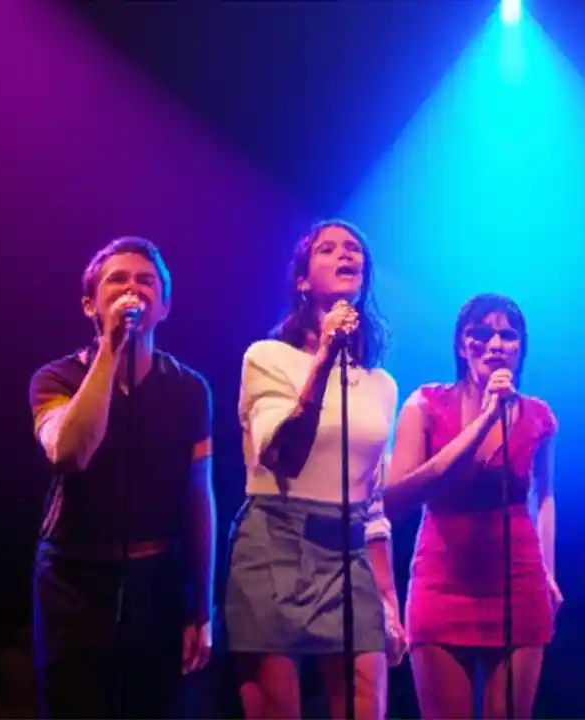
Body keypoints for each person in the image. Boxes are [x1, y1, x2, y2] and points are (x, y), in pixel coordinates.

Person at [28, 236, 215, 717]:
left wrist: (201, 606)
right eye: (118, 280)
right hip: (75, 582)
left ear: (165, 305)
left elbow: (199, 498)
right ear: (91, 303)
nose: (133, 288)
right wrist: (111, 349)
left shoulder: (189, 389)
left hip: (157, 581)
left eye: (146, 281)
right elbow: (69, 452)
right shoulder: (56, 379)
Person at [225, 220, 404, 720]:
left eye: (353, 249)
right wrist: (324, 356)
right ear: (302, 280)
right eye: (328, 249)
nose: (345, 255)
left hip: (348, 550)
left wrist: (388, 595)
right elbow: (282, 453)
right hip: (275, 541)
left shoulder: (382, 384)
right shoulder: (268, 357)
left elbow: (372, 499)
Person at [383, 293, 559, 719]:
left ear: (520, 348)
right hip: (443, 579)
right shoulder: (425, 404)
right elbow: (395, 498)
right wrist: (484, 420)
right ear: (462, 345)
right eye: (482, 333)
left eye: (508, 335)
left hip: (518, 580)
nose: (496, 343)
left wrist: (548, 572)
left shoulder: (538, 415)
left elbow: (545, 495)